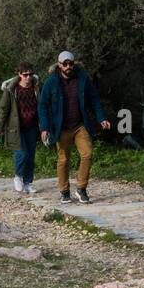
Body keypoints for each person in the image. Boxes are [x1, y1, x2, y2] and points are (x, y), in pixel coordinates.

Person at [38, 50, 109, 204]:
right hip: (61, 127)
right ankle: (64, 192)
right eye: (65, 64)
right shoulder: (51, 82)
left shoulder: (83, 79)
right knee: (63, 160)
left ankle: (81, 189)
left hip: (80, 125)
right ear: (59, 65)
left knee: (87, 154)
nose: (68, 66)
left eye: (70, 63)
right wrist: (44, 127)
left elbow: (94, 99)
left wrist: (102, 118)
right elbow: (43, 105)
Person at [0, 62, 41, 195]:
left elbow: (42, 106)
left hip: (32, 126)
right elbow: (3, 110)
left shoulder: (36, 88)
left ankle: (28, 182)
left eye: (30, 74)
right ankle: (18, 177)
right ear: (19, 74)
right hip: (16, 128)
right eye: (25, 75)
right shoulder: (11, 90)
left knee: (31, 156)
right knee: (22, 154)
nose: (28, 77)